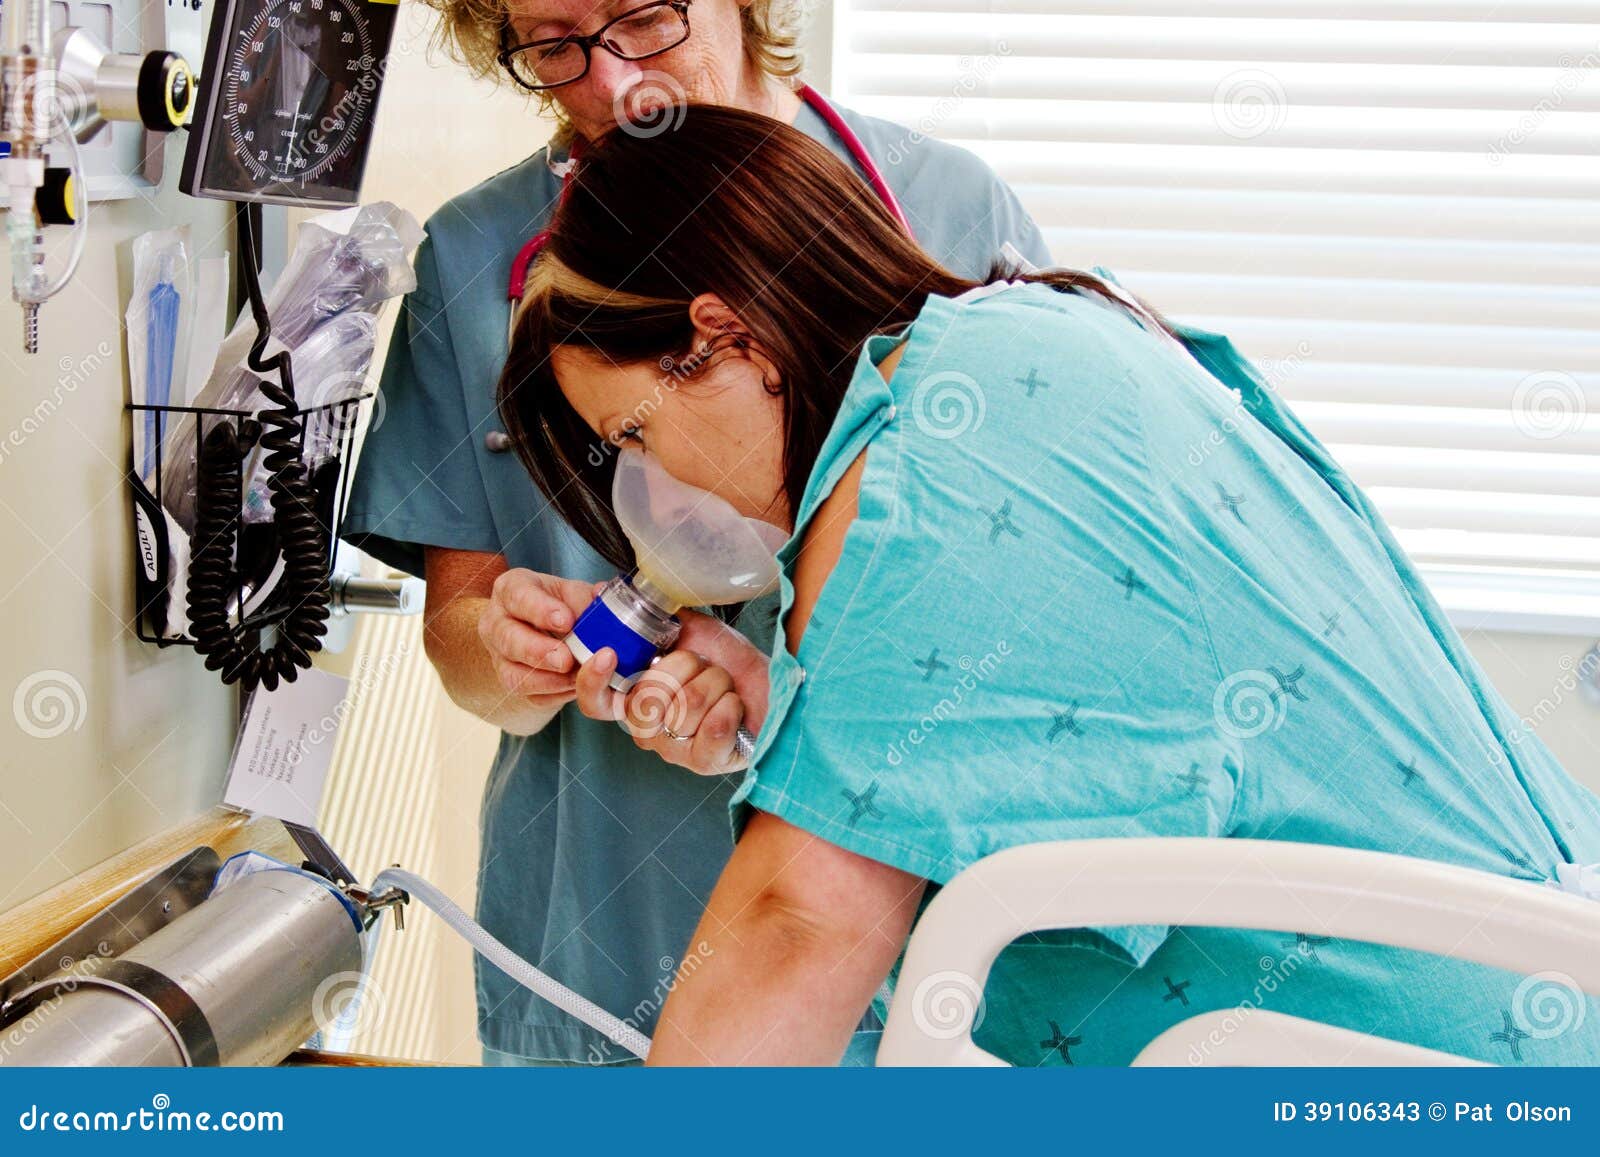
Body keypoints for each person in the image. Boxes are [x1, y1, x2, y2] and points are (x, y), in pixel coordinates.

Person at [497, 104, 1600, 1066]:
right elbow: (1104, 727)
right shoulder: (1030, 344)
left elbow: (799, 924)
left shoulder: (926, 472)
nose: (656, 485)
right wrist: (796, 711)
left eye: (635, 432)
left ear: (724, 337)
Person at [340, 0, 1049, 1065]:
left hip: (902, 940)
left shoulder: (945, 211)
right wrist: (501, 643)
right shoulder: (474, 256)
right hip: (599, 938)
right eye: (553, 44)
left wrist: (782, 696)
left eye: (643, 19)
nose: (616, 85)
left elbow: (1043, 608)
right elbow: (459, 631)